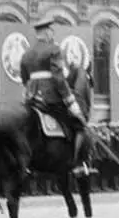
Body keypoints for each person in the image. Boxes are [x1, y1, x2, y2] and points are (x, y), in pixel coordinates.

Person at [20, 18, 92, 177]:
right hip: (50, 97)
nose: (52, 34)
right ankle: (78, 164)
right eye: (51, 31)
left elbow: (24, 78)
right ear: (46, 32)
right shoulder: (53, 50)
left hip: (31, 97)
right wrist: (70, 101)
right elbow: (58, 79)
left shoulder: (26, 53)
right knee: (79, 123)